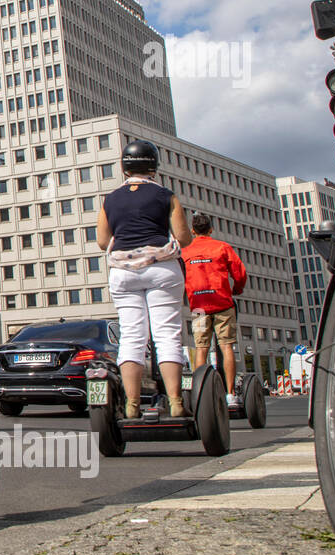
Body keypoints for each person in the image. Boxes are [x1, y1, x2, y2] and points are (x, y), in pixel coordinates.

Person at [96, 140, 192, 418]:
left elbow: (103, 242)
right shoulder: (166, 195)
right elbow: (184, 237)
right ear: (153, 166)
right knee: (166, 334)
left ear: (124, 168)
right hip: (162, 269)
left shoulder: (110, 199)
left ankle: (132, 404)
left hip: (124, 273)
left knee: (131, 336)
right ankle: (175, 402)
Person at [182, 212, 248, 408]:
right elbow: (240, 272)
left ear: (192, 231)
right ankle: (230, 394)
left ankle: (201, 392)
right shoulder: (222, 247)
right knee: (227, 346)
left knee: (201, 347)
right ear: (210, 229)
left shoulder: (186, 252)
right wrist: (237, 289)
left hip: (200, 305)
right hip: (222, 303)